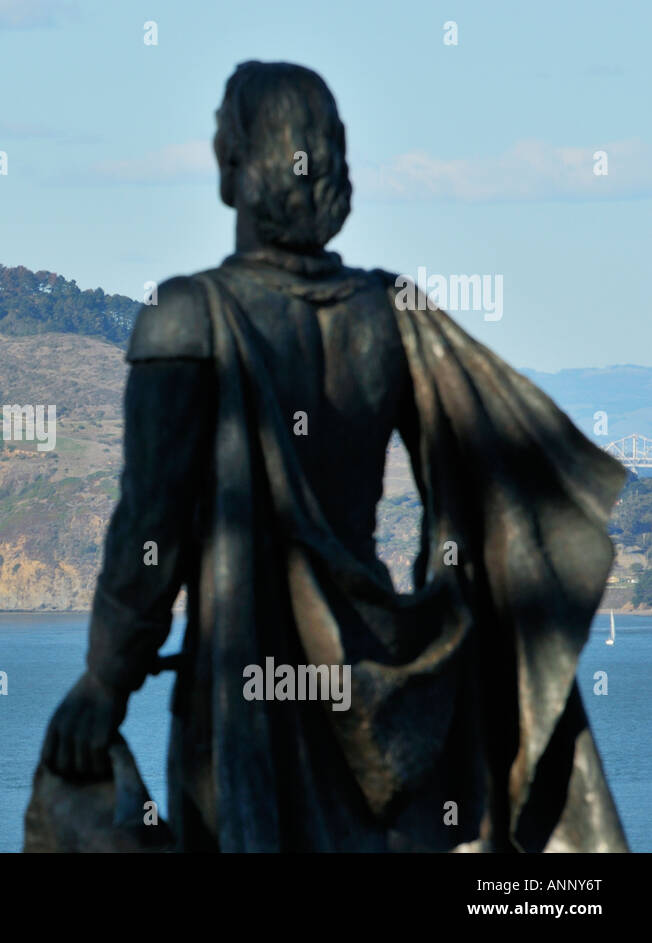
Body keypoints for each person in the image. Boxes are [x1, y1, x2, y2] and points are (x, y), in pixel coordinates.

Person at [35, 60, 628, 852]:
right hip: (380, 701)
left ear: (242, 161)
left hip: (245, 708)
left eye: (223, 134)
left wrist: (105, 679)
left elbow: (152, 523)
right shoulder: (390, 315)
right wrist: (446, 621)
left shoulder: (186, 319)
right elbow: (493, 480)